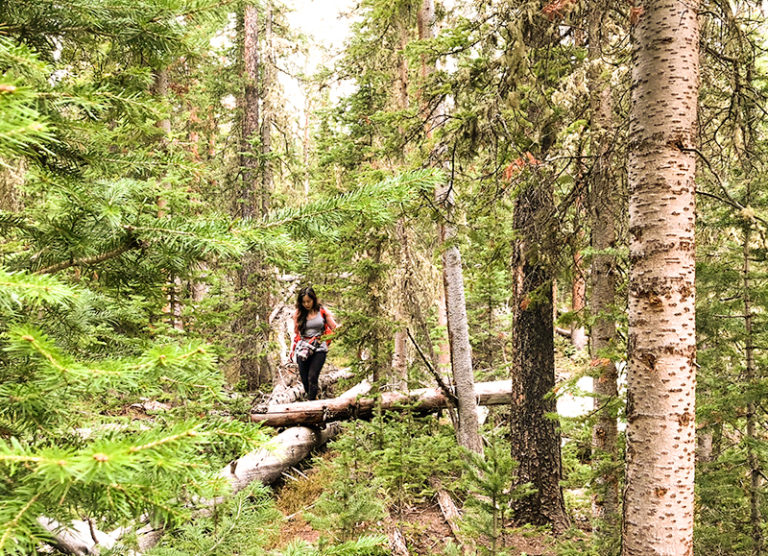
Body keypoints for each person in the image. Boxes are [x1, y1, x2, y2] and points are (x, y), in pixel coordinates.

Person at [291, 286, 338, 401]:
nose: (306, 304)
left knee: (312, 376)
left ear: (314, 300)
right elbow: (296, 332)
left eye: (309, 301)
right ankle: (314, 398)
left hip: (319, 347)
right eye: (304, 302)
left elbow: (334, 327)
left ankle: (310, 404)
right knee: (305, 379)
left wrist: (345, 326)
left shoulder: (322, 311)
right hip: (303, 348)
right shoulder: (298, 313)